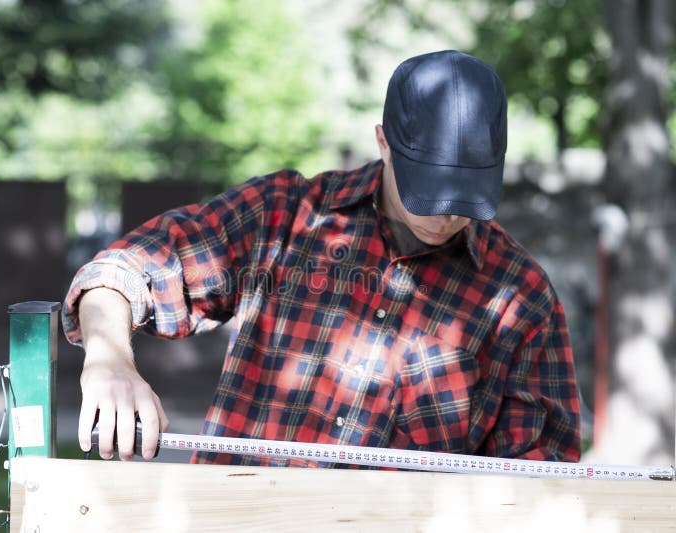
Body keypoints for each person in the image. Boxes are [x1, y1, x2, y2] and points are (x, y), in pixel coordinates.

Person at [63, 50, 581, 465]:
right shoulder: (284, 216)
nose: (446, 215)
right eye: (427, 188)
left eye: (465, 195)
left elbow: (540, 476)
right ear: (383, 143)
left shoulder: (522, 297)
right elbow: (122, 269)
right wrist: (109, 359)